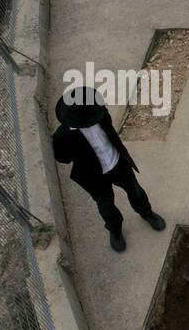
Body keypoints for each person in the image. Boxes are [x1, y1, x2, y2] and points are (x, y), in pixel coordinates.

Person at [51, 87, 165, 252]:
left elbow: (109, 129)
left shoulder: (99, 113)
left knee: (135, 190)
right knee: (106, 206)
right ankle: (115, 230)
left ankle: (147, 212)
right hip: (94, 176)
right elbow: (62, 158)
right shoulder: (63, 135)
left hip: (117, 163)